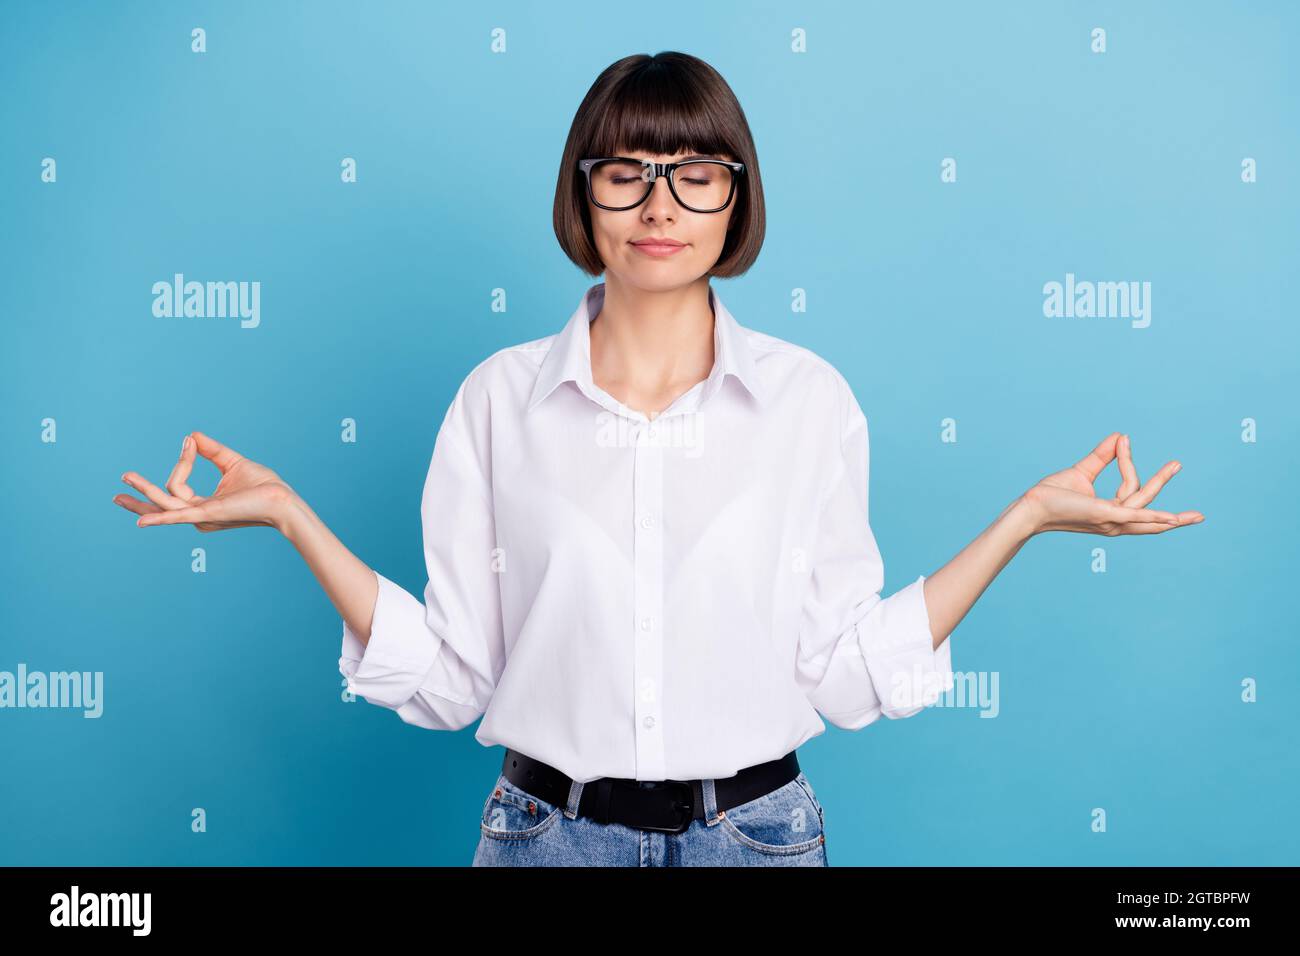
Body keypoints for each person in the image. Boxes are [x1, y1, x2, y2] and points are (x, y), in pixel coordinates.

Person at [113, 51, 1204, 867]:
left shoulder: (806, 401)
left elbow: (842, 667)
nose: (659, 206)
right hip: (544, 837)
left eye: (695, 173)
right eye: (626, 172)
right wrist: (295, 518)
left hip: (758, 837)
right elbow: (457, 676)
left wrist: (1022, 519)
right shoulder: (497, 400)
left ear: (737, 195)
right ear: (582, 193)